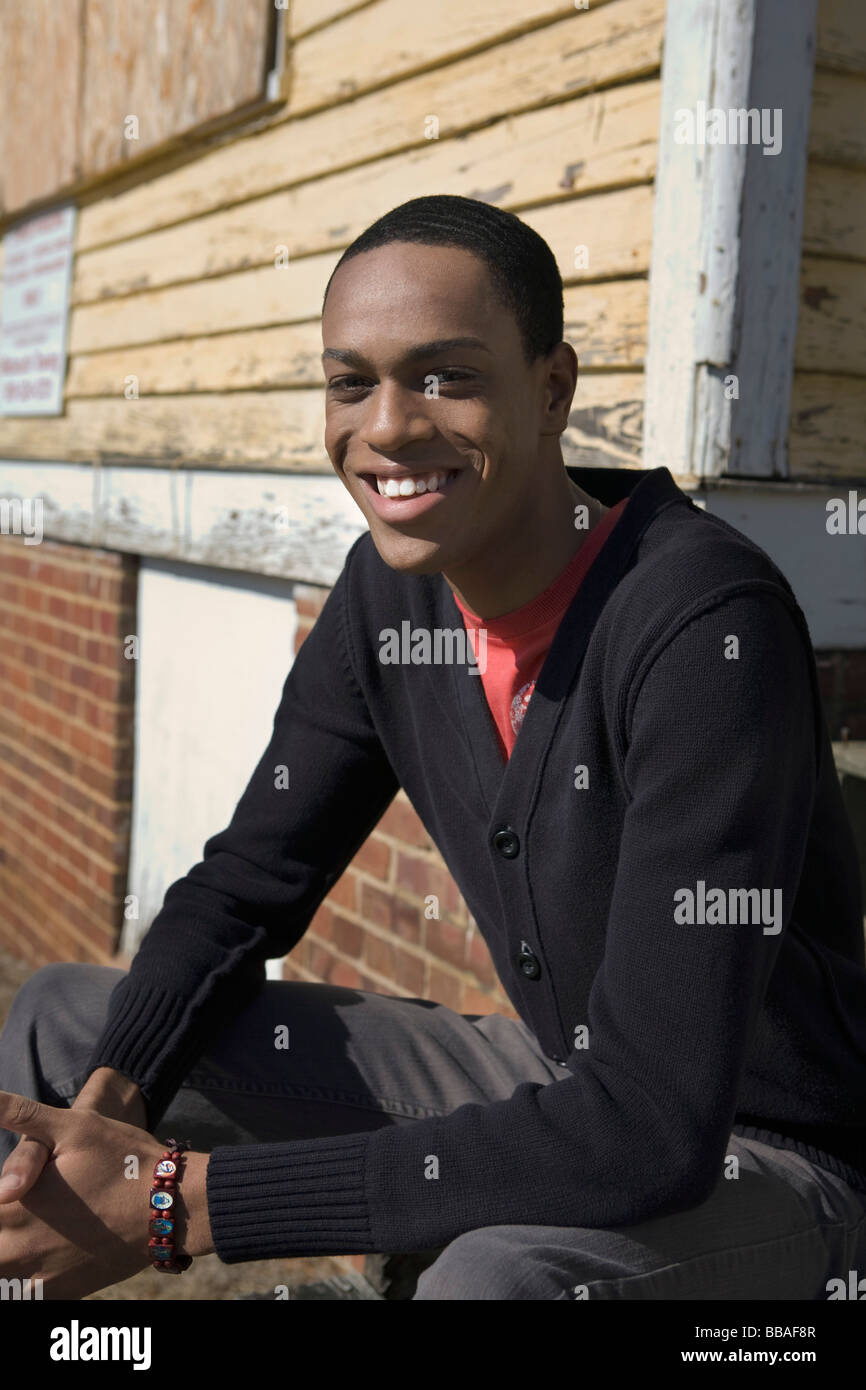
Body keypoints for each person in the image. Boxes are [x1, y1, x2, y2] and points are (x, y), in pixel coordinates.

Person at [1, 194, 865, 1301]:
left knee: (493, 1279)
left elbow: (651, 1124)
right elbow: (245, 883)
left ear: (551, 389)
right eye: (349, 380)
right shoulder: (390, 597)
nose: (388, 427)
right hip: (568, 1079)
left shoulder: (702, 627)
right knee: (69, 1030)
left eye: (445, 377)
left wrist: (180, 1202)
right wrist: (108, 1113)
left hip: (771, 1150)